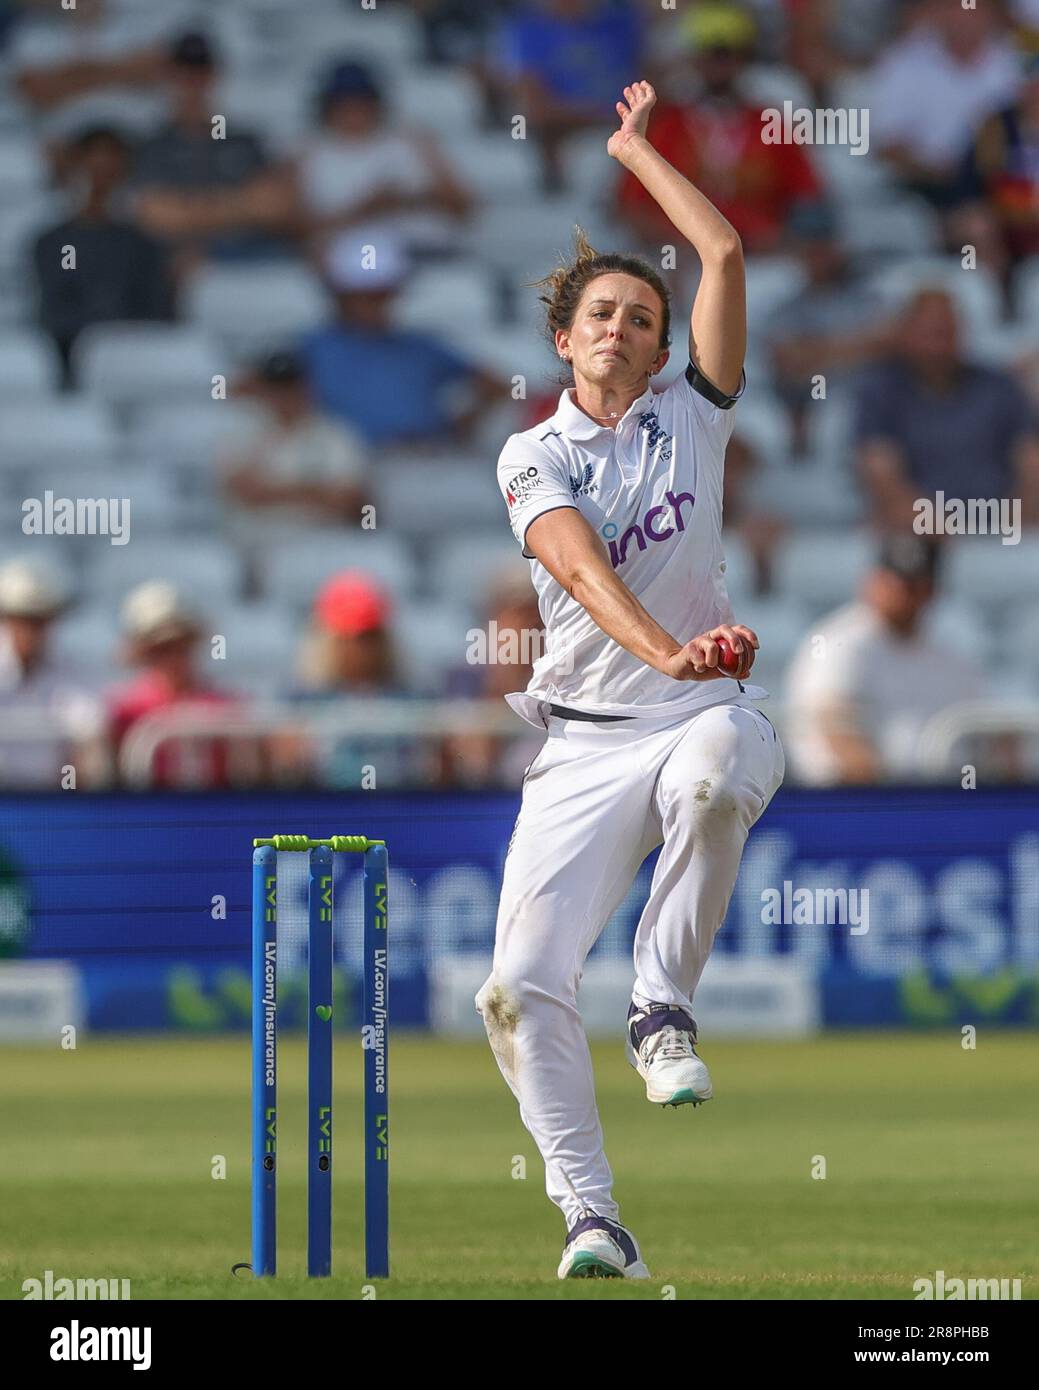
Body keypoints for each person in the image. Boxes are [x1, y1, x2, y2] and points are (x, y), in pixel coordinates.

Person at [476, 81, 785, 1281]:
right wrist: (665, 645)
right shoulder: (532, 452)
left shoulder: (691, 417)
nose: (621, 327)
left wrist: (631, 153)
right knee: (515, 991)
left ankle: (661, 1009)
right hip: (586, 738)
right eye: (600, 312)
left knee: (712, 782)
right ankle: (591, 1216)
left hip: (707, 710)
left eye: (643, 318)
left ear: (664, 348)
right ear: (565, 338)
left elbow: (720, 246)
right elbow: (578, 565)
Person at [782, 537, 990, 784]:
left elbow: (984, 729)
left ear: (931, 591)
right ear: (872, 581)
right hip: (850, 800)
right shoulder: (839, 643)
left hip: (939, 796)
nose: (899, 593)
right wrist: (891, 796)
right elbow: (833, 731)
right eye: (892, 582)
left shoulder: (951, 650)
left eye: (913, 586)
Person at [854, 287, 1039, 532]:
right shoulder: (880, 392)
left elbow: (1030, 461)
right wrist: (936, 526)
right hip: (917, 531)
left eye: (947, 333)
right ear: (905, 334)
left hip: (999, 526)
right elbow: (881, 473)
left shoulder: (999, 386)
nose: (939, 346)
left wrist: (1016, 526)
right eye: (930, 334)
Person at [299, 231, 508, 448]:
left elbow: (499, 385)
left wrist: (458, 427)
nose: (380, 304)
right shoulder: (313, 348)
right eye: (368, 296)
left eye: (386, 295)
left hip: (425, 460)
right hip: (352, 466)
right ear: (341, 297)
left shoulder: (421, 346)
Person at [33, 125, 174, 382]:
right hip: (71, 362)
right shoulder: (53, 243)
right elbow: (56, 311)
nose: (100, 185)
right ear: (74, 173)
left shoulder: (144, 244)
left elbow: (155, 308)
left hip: (139, 360)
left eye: (111, 174)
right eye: (92, 172)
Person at [295, 60, 472, 258]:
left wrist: (407, 200)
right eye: (344, 104)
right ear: (328, 108)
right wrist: (369, 208)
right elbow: (300, 230)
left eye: (361, 102)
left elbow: (464, 207)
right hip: (352, 259)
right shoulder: (310, 155)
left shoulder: (412, 142)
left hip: (424, 250)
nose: (354, 112)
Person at [109, 581, 243, 789]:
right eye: (161, 648)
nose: (173, 656)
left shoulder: (226, 705)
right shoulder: (122, 711)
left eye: (181, 644)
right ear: (141, 652)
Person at [0, 561, 105, 789]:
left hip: (53, 806)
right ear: (6, 619)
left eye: (38, 620)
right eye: (23, 618)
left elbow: (90, 732)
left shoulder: (72, 673)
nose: (30, 629)